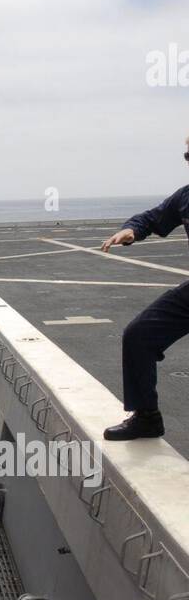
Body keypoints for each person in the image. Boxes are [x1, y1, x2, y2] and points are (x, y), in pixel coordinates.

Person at [101, 139, 189, 440]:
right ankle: (146, 417)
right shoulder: (186, 198)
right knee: (139, 335)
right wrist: (132, 230)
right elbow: (153, 218)